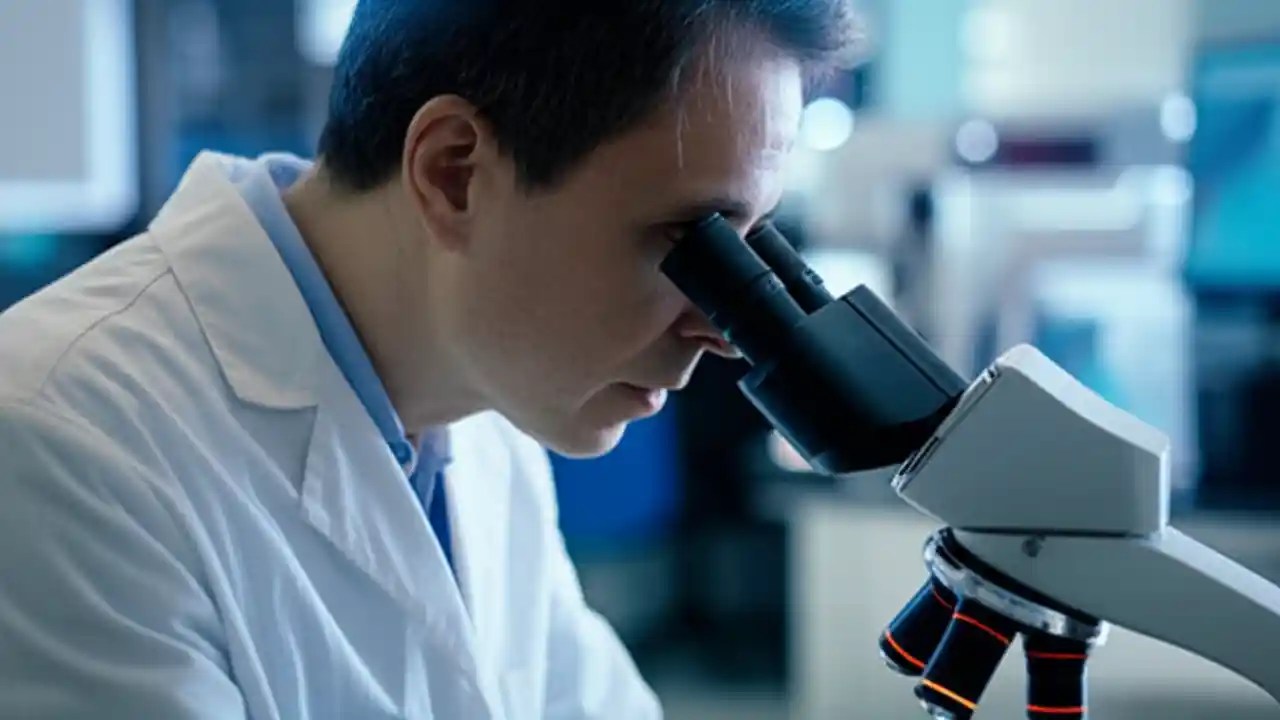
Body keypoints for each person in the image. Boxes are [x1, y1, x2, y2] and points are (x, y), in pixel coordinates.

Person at [0, 1, 858, 718]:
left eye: (748, 246)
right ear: (454, 172)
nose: (724, 327)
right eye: (689, 240)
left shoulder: (484, 391)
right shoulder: (62, 442)